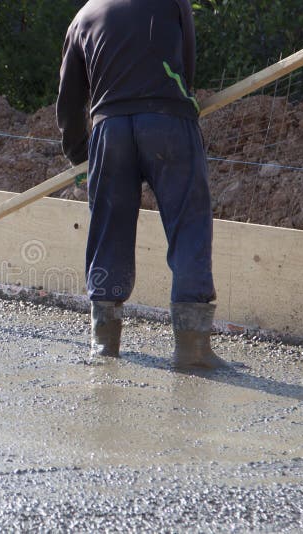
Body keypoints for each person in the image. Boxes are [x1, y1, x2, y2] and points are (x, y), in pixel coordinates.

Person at [56, 0, 229, 369]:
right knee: (188, 226)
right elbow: (187, 62)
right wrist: (183, 96)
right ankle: (192, 349)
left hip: (109, 129)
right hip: (167, 121)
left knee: (108, 229)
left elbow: (69, 104)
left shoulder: (83, 16)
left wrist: (79, 155)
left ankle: (104, 345)